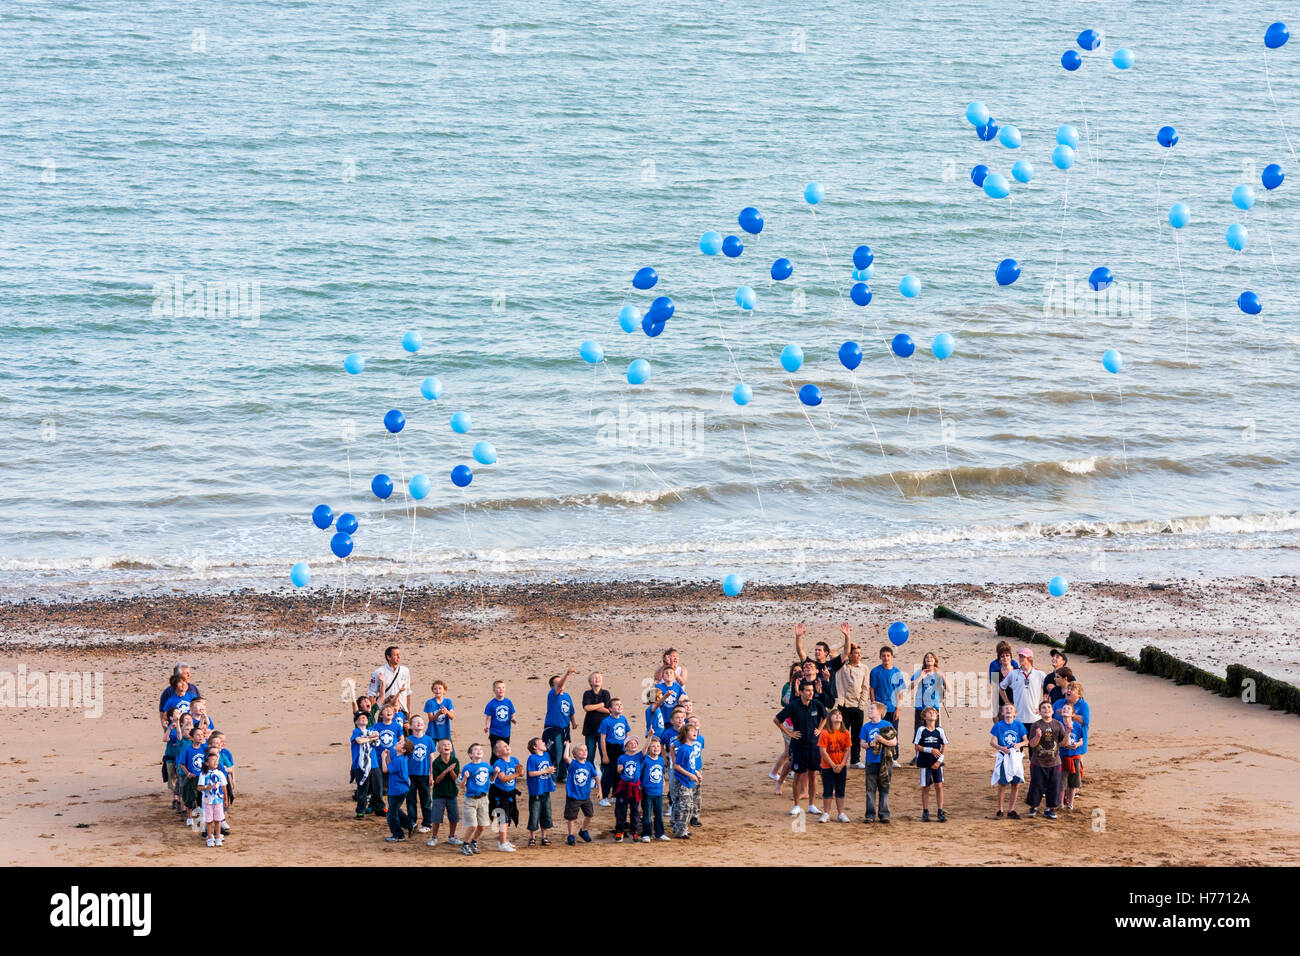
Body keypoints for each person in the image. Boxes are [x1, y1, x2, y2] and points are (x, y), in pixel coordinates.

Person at [773, 679, 828, 817]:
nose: (811, 693)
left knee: (813, 775)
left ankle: (811, 805)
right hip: (798, 745)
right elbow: (777, 720)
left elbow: (826, 717)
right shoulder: (794, 706)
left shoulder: (817, 704)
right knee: (798, 775)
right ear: (802, 692)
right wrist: (790, 733)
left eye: (812, 691)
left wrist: (820, 729)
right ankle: (796, 805)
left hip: (814, 745)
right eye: (808, 691)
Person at [1025, 699, 1066, 820]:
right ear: (1040, 712)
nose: (1046, 709)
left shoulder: (1058, 724)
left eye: (1049, 707)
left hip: (1054, 762)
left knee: (1054, 785)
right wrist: (1038, 736)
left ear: (1053, 711)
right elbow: (1031, 744)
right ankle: (1033, 807)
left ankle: (1050, 809)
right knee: (1036, 785)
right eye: (1043, 708)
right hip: (1038, 762)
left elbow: (1063, 743)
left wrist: (1068, 732)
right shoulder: (1036, 725)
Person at [835, 631, 869, 768]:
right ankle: (839, 759)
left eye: (860, 653)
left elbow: (865, 687)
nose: (858, 655)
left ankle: (855, 760)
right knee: (842, 734)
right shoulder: (842, 665)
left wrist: (861, 705)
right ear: (849, 654)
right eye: (856, 653)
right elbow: (831, 652)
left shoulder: (864, 668)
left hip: (857, 706)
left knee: (856, 735)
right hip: (843, 705)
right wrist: (846, 643)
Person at [869, 645, 906, 764]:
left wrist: (898, 709)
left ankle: (894, 758)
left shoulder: (897, 672)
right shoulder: (875, 671)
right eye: (883, 656)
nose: (886, 658)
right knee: (879, 732)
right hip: (880, 708)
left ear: (892, 657)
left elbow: (899, 693)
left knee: (893, 732)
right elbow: (872, 690)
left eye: (888, 656)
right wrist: (874, 706)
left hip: (892, 707)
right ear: (880, 657)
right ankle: (879, 757)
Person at [990, 703, 1028, 819]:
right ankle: (1000, 809)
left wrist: (1018, 745)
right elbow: (992, 742)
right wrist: (1001, 748)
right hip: (1004, 756)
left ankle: (1011, 809)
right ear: (1002, 713)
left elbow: (1026, 741)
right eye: (1006, 709)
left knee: (1015, 784)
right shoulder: (998, 726)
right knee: (1002, 784)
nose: (1008, 710)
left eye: (1011, 709)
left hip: (1015, 757)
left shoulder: (1019, 725)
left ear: (1015, 713)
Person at [908, 652, 947, 764]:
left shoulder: (938, 673)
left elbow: (946, 688)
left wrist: (942, 676)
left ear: (935, 660)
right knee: (919, 731)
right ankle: (918, 756)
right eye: (927, 657)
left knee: (936, 732)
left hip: (934, 707)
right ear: (924, 661)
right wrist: (921, 677)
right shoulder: (919, 672)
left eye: (931, 657)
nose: (929, 659)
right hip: (921, 706)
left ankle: (938, 757)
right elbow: (910, 686)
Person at [1053, 681, 1090, 792]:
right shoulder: (1059, 703)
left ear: (1078, 694)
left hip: (1077, 739)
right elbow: (1050, 716)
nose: (1068, 690)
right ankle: (1060, 790)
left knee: (1076, 767)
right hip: (1060, 741)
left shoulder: (1083, 705)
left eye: (1072, 689)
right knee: (1060, 767)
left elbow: (1085, 721)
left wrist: (1070, 715)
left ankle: (1074, 791)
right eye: (1068, 688)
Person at [860, 701, 893, 823]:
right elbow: (862, 744)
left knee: (884, 788)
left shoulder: (887, 724)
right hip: (871, 761)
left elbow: (894, 742)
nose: (869, 710)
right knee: (870, 789)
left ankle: (884, 814)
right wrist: (869, 744)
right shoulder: (866, 727)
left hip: (885, 761)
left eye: (872, 709)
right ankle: (870, 815)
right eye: (869, 709)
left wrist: (882, 740)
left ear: (879, 712)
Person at [795, 621, 848, 697]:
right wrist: (798, 637)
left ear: (826, 653)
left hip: (830, 698)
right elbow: (800, 652)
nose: (817, 652)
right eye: (816, 650)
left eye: (819, 650)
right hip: (813, 697)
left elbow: (846, 652)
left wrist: (847, 635)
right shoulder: (810, 664)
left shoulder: (832, 664)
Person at [817, 708, 851, 823]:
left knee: (840, 789)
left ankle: (841, 813)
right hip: (827, 767)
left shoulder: (845, 732)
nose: (838, 716)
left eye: (839, 714)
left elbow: (847, 750)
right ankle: (826, 813)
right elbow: (823, 751)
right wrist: (832, 764)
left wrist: (842, 764)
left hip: (841, 766)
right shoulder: (825, 733)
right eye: (835, 714)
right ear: (830, 718)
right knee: (827, 790)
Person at [913, 706, 948, 822]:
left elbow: (944, 746)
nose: (932, 713)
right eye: (929, 712)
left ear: (937, 716)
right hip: (924, 762)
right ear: (924, 716)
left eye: (934, 712)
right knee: (926, 787)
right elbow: (916, 746)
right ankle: (925, 811)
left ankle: (940, 811)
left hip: (937, 763)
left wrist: (939, 761)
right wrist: (930, 750)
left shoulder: (940, 730)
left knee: (939, 786)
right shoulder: (921, 730)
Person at [543, 667, 578, 781]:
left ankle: (563, 775)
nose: (561, 682)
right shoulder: (552, 694)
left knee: (565, 752)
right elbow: (559, 687)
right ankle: (551, 776)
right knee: (555, 752)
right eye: (557, 681)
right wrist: (567, 674)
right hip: (553, 728)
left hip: (565, 728)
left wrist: (573, 722)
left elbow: (571, 710)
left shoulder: (567, 696)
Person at [427, 738, 463, 847]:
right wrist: (447, 770)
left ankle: (452, 836)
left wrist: (451, 770)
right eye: (443, 745)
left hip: (452, 793)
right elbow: (437, 780)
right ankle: (434, 836)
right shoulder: (436, 762)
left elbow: (455, 778)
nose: (446, 746)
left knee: (454, 816)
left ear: (451, 749)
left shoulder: (455, 760)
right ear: (439, 749)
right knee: (436, 817)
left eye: (448, 744)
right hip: (439, 794)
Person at [488, 739, 522, 852]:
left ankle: (504, 840)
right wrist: (517, 773)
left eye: (507, 745)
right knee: (503, 818)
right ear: (498, 753)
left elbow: (521, 773)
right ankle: (502, 843)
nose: (507, 746)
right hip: (499, 795)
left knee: (508, 817)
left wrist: (520, 771)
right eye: (503, 746)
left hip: (510, 794)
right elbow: (503, 779)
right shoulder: (498, 763)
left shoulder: (514, 760)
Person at [459, 743, 492, 856]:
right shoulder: (467, 767)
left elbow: (492, 778)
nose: (479, 751)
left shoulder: (487, 766)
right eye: (475, 749)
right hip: (470, 801)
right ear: (470, 754)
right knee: (472, 825)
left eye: (480, 749)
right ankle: (465, 845)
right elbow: (462, 786)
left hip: (483, 799)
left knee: (482, 826)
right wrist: (465, 778)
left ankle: (474, 842)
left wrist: (496, 772)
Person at [670, 724, 702, 839]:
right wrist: (690, 775)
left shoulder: (691, 747)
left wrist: (696, 772)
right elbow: (677, 766)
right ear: (685, 734)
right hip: (683, 782)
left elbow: (690, 765)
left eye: (696, 731)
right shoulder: (683, 748)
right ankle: (680, 831)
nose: (695, 732)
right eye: (692, 731)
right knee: (684, 806)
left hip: (689, 782)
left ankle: (683, 828)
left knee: (689, 806)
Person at [1000, 648, 1045, 729]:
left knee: (1034, 741)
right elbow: (1000, 688)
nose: (1020, 658)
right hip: (1018, 718)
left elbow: (1049, 690)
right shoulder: (1013, 673)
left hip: (1035, 717)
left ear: (1030, 658)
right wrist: (1007, 703)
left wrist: (1043, 705)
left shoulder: (1040, 674)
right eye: (1020, 656)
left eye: (1023, 656)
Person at [564, 742, 599, 846]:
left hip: (585, 795)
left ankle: (583, 830)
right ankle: (570, 835)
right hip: (573, 796)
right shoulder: (573, 764)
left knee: (589, 814)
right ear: (575, 754)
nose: (584, 752)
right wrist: (567, 745)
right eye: (581, 750)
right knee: (571, 817)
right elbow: (566, 757)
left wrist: (600, 791)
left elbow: (596, 777)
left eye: (586, 750)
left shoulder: (589, 765)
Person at [524, 736, 557, 847]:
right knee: (534, 814)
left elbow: (548, 770)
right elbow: (531, 773)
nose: (544, 742)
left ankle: (544, 836)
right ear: (535, 747)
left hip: (545, 789)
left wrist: (550, 773)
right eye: (541, 742)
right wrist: (545, 770)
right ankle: (532, 837)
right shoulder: (532, 758)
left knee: (546, 813)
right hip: (536, 791)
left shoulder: (546, 755)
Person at [598, 698, 631, 807]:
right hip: (610, 748)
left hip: (621, 749)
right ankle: (603, 797)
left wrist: (628, 747)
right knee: (608, 774)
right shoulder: (606, 721)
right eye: (616, 705)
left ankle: (615, 795)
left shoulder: (623, 719)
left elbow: (627, 733)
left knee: (619, 772)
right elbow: (602, 738)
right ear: (610, 709)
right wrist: (605, 754)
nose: (619, 706)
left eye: (621, 704)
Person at [350, 713, 383, 818]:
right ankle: (361, 810)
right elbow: (359, 740)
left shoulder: (371, 729)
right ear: (356, 722)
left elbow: (377, 736)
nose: (363, 718)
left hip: (373, 764)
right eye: (360, 718)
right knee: (363, 789)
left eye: (365, 717)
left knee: (378, 787)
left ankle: (378, 807)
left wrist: (369, 737)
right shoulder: (356, 731)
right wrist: (370, 738)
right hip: (361, 766)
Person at [580, 672, 612, 783]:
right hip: (590, 730)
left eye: (599, 678)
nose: (597, 679)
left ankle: (604, 778)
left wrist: (594, 707)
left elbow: (609, 710)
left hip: (603, 731)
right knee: (589, 755)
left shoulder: (605, 693)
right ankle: (589, 778)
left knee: (604, 754)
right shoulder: (587, 693)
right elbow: (586, 708)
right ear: (590, 682)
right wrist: (601, 705)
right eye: (595, 678)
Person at [405, 715, 434, 832]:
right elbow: (405, 760)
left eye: (421, 721)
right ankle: (412, 822)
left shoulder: (428, 740)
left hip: (424, 775)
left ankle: (427, 823)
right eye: (416, 722)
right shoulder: (408, 741)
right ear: (411, 726)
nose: (419, 723)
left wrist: (431, 775)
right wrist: (405, 776)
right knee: (411, 800)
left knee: (426, 800)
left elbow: (432, 758)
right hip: (411, 775)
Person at [382, 738, 414, 842]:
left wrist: (383, 758)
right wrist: (387, 757)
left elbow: (385, 769)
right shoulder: (400, 757)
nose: (397, 743)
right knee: (394, 808)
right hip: (399, 789)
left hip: (397, 790)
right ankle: (409, 824)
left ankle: (398, 835)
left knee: (391, 813)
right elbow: (390, 766)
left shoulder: (399, 760)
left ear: (403, 750)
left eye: (400, 743)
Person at [613, 735, 643, 842]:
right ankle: (619, 830)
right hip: (624, 786)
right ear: (625, 747)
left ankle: (634, 831)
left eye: (635, 743)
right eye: (630, 743)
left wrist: (649, 736)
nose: (633, 745)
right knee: (621, 809)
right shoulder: (622, 758)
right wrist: (619, 770)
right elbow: (618, 769)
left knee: (635, 810)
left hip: (635, 787)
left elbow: (645, 749)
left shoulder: (639, 756)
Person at [197, 751, 229, 848]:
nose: (215, 762)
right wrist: (208, 787)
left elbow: (224, 787)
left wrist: (226, 799)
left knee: (218, 819)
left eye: (216, 760)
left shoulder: (220, 773)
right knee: (209, 820)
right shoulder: (203, 774)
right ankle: (210, 836)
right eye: (213, 760)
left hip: (218, 800)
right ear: (207, 763)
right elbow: (199, 788)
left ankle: (218, 836)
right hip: (207, 801)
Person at [639, 736, 668, 842]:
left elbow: (661, 772)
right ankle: (646, 834)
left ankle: (660, 833)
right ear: (649, 749)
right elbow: (640, 773)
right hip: (647, 791)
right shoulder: (645, 760)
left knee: (659, 813)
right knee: (647, 813)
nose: (656, 748)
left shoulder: (661, 760)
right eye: (653, 747)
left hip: (658, 791)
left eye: (658, 746)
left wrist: (663, 780)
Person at [369, 645, 412, 716]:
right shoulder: (379, 672)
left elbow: (408, 692)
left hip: (402, 710)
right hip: (385, 712)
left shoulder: (405, 671)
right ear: (388, 657)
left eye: (399, 654)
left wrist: (408, 711)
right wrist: (372, 714)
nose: (399, 657)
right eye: (396, 655)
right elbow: (372, 694)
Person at [1058, 703, 1084, 811]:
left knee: (1073, 782)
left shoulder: (1077, 726)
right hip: (1062, 757)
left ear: (1073, 713)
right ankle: (1060, 803)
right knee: (1062, 781)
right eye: (1064, 708)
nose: (1066, 710)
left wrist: (1077, 744)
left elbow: (1081, 740)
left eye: (1068, 709)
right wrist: (1064, 744)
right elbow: (1056, 742)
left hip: (1074, 757)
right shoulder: (1059, 725)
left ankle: (1071, 802)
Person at [483, 680, 517, 752]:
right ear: (494, 690)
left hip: (506, 732)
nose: (501, 689)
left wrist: (513, 719)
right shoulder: (491, 704)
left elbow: (512, 714)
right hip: (495, 732)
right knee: (496, 752)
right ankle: (494, 763)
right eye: (498, 688)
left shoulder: (508, 702)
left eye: (503, 687)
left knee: (505, 751)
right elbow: (488, 718)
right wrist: (487, 727)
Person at [423, 680, 455, 751]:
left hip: (445, 732)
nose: (437, 690)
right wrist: (439, 713)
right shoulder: (430, 702)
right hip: (432, 732)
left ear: (444, 690)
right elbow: (431, 719)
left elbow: (452, 717)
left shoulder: (448, 702)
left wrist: (446, 712)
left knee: (450, 754)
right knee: (429, 753)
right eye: (435, 688)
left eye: (440, 688)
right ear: (433, 691)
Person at [989, 640, 1015, 710]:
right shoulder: (993, 665)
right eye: (1002, 656)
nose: (1005, 658)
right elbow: (994, 686)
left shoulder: (1014, 664)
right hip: (1000, 702)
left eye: (1007, 655)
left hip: (1014, 702)